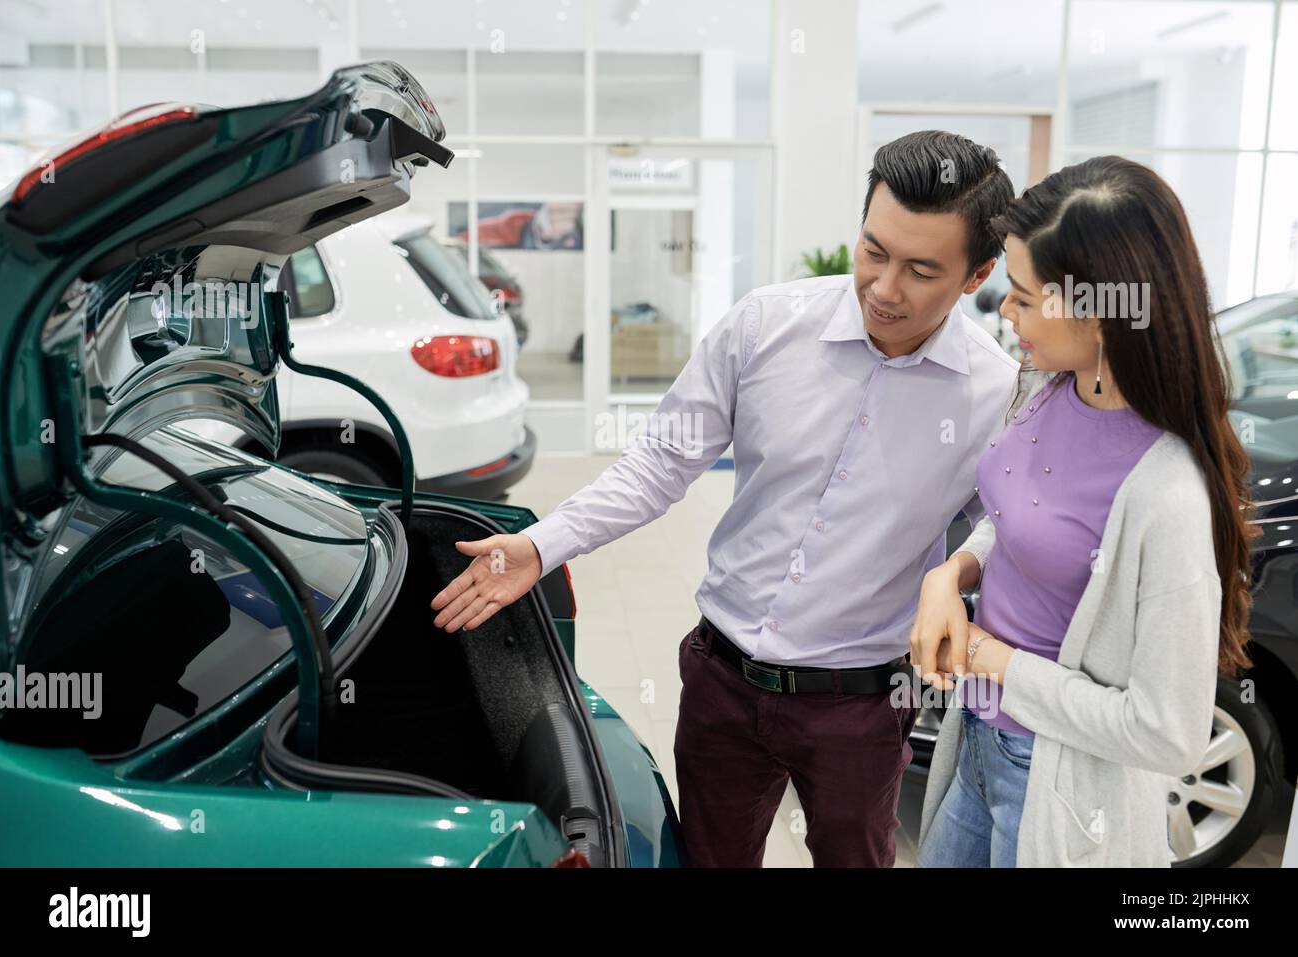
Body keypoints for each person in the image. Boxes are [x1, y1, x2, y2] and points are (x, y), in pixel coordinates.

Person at [431, 130, 1019, 867]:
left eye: (921, 269)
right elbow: (659, 463)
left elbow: (1006, 528)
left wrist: (953, 572)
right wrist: (543, 543)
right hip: (723, 680)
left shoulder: (994, 392)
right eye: (873, 250)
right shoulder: (765, 326)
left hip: (862, 707)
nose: (884, 286)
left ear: (978, 275)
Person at [911, 155, 1256, 867]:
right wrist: (952, 572)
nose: (1005, 311)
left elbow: (1170, 733)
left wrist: (991, 658)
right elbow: (1020, 513)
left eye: (1023, 295)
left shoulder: (1166, 491)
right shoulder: (1048, 387)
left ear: (1098, 312)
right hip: (973, 738)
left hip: (1054, 782)